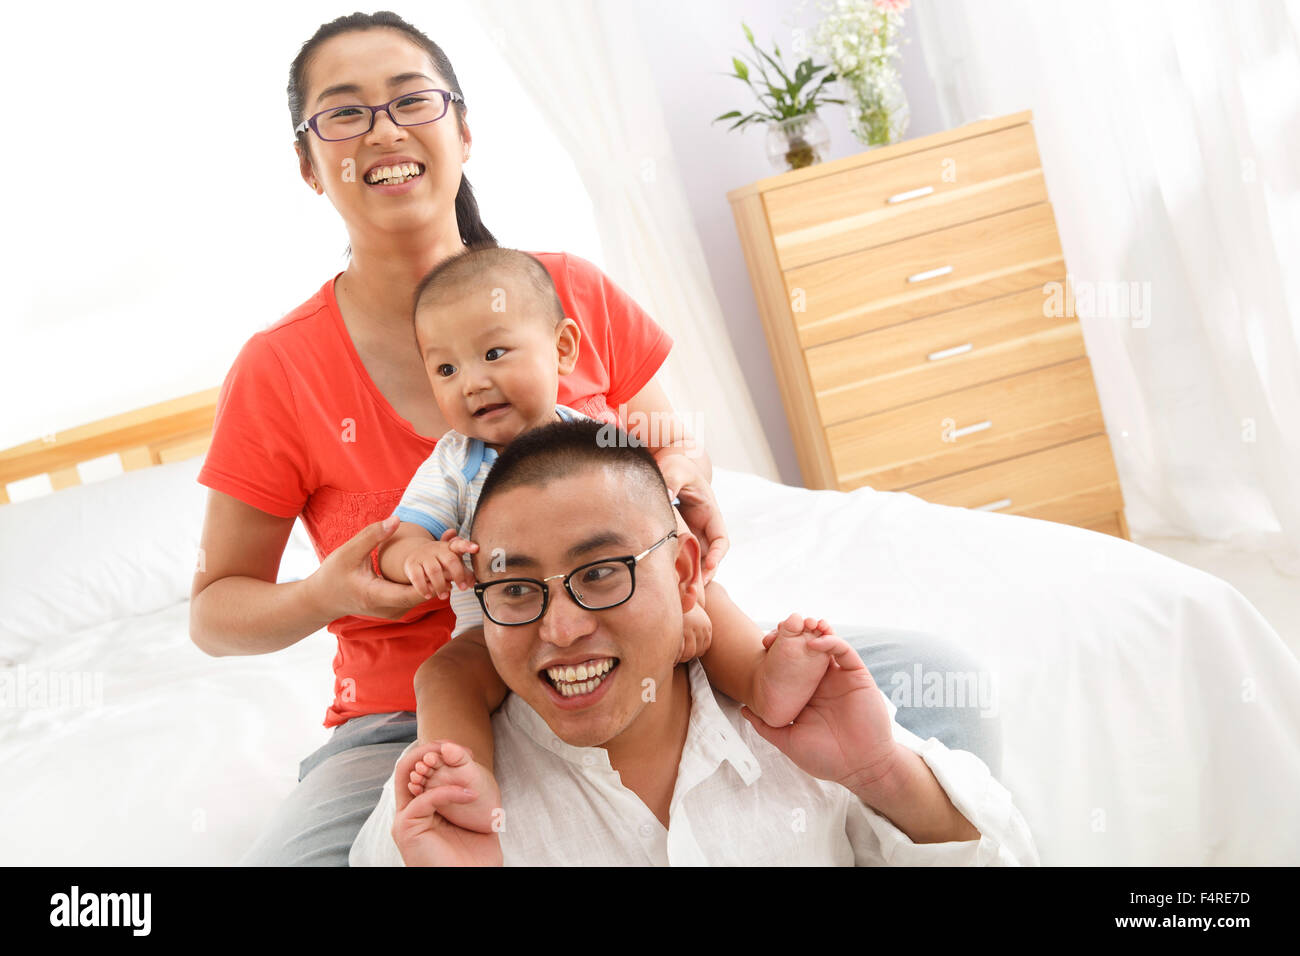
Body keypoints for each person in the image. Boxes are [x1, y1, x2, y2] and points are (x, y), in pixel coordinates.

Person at [188, 10, 999, 867]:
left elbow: (672, 442)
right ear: (309, 164)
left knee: (934, 692)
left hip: (634, 651)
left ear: (463, 130)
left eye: (411, 100)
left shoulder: (565, 288)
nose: (384, 128)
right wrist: (329, 593)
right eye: (344, 112)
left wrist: (688, 485)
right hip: (412, 712)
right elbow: (216, 612)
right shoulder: (278, 369)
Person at [349, 420, 1039, 866]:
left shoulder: (813, 727)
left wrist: (882, 776)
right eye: (518, 590)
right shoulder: (441, 817)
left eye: (600, 574)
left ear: (684, 572)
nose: (560, 630)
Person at [379, 245, 832, 770]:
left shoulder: (600, 442)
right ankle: (462, 773)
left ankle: (760, 677)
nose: (472, 382)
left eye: (494, 354)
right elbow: (402, 537)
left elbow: (659, 527)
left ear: (563, 348)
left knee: (713, 595)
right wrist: (419, 559)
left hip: (621, 610)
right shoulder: (454, 465)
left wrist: (686, 605)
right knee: (442, 675)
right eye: (446, 369)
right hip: (498, 632)